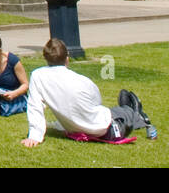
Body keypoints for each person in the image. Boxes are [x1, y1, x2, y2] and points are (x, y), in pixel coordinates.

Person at [22, 38, 154, 145]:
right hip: (103, 127)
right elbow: (97, 102)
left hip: (79, 126)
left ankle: (130, 110)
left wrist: (35, 135)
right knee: (126, 112)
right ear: (67, 58)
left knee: (116, 111)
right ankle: (135, 112)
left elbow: (35, 106)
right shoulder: (82, 81)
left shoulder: (37, 76)